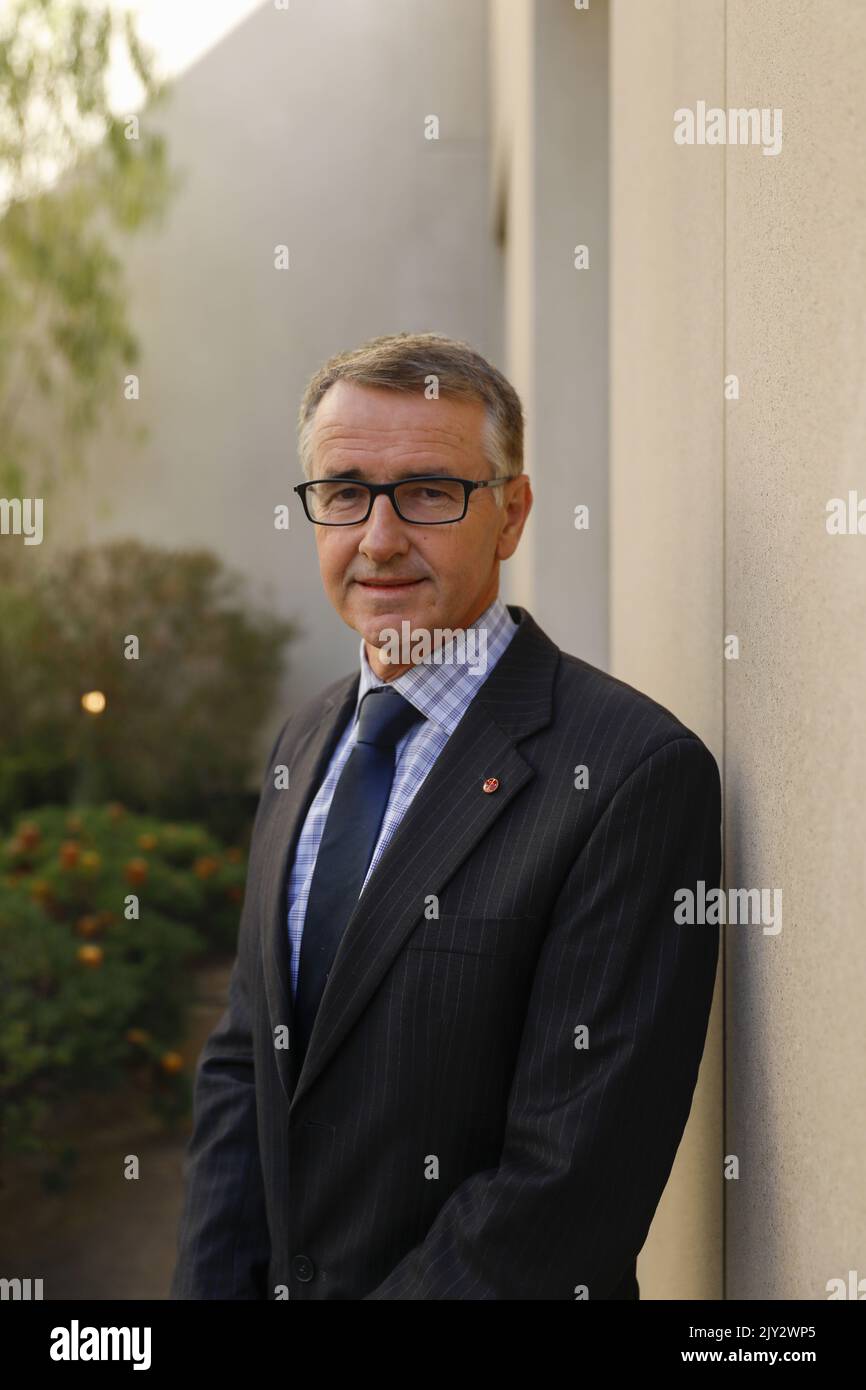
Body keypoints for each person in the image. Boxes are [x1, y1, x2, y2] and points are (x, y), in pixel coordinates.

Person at [169, 331, 721, 1300]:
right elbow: (245, 1062)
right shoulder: (303, 742)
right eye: (344, 492)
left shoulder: (627, 773)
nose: (378, 537)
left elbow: (570, 1181)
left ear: (511, 514)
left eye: (428, 491)